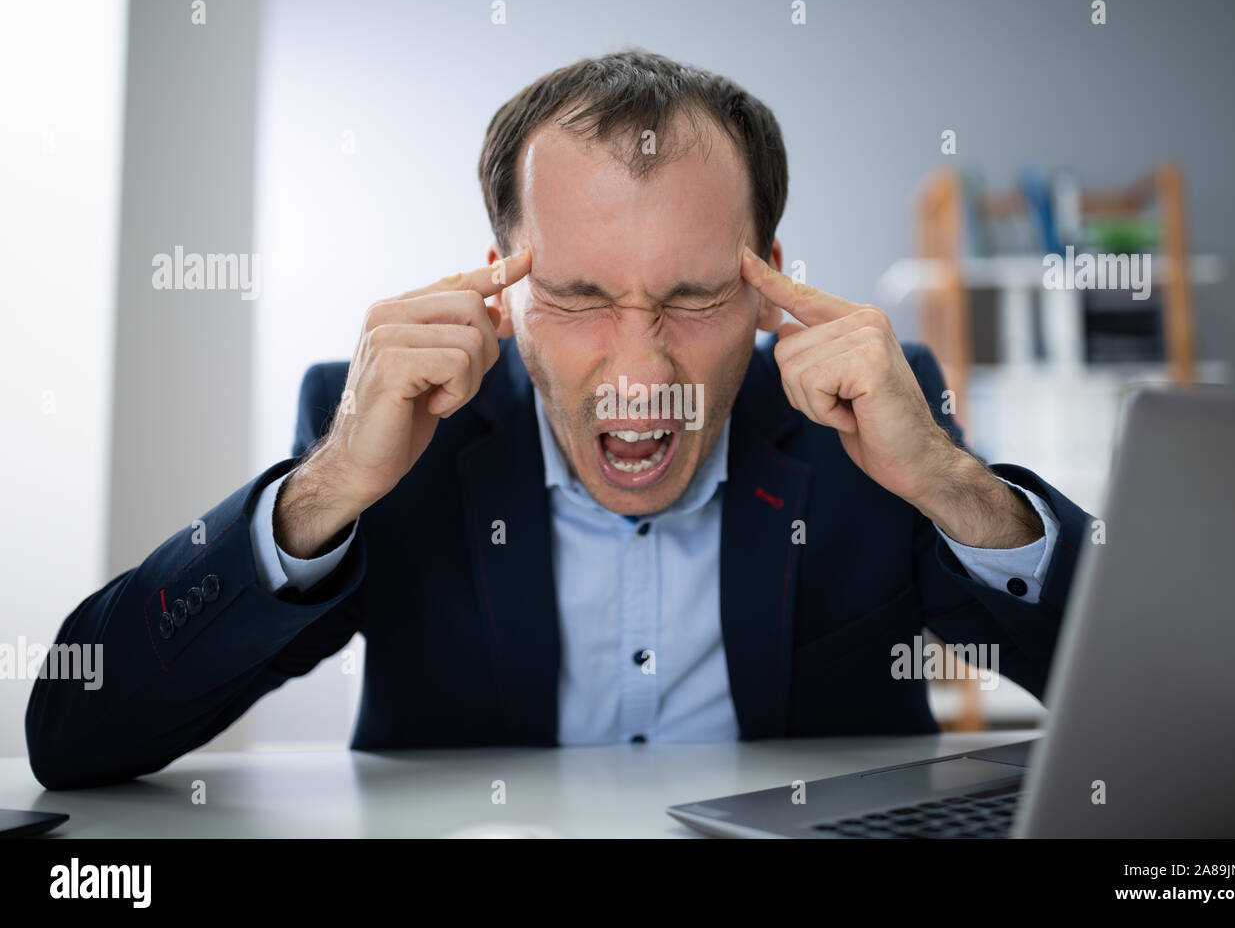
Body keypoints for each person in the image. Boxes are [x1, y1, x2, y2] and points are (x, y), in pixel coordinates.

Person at [27, 49, 1088, 790]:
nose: (637, 373)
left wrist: (955, 486)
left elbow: (1152, 704)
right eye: (578, 297)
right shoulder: (397, 431)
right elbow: (75, 733)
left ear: (770, 286)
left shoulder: (866, 416)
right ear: (501, 289)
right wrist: (327, 490)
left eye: (691, 298)